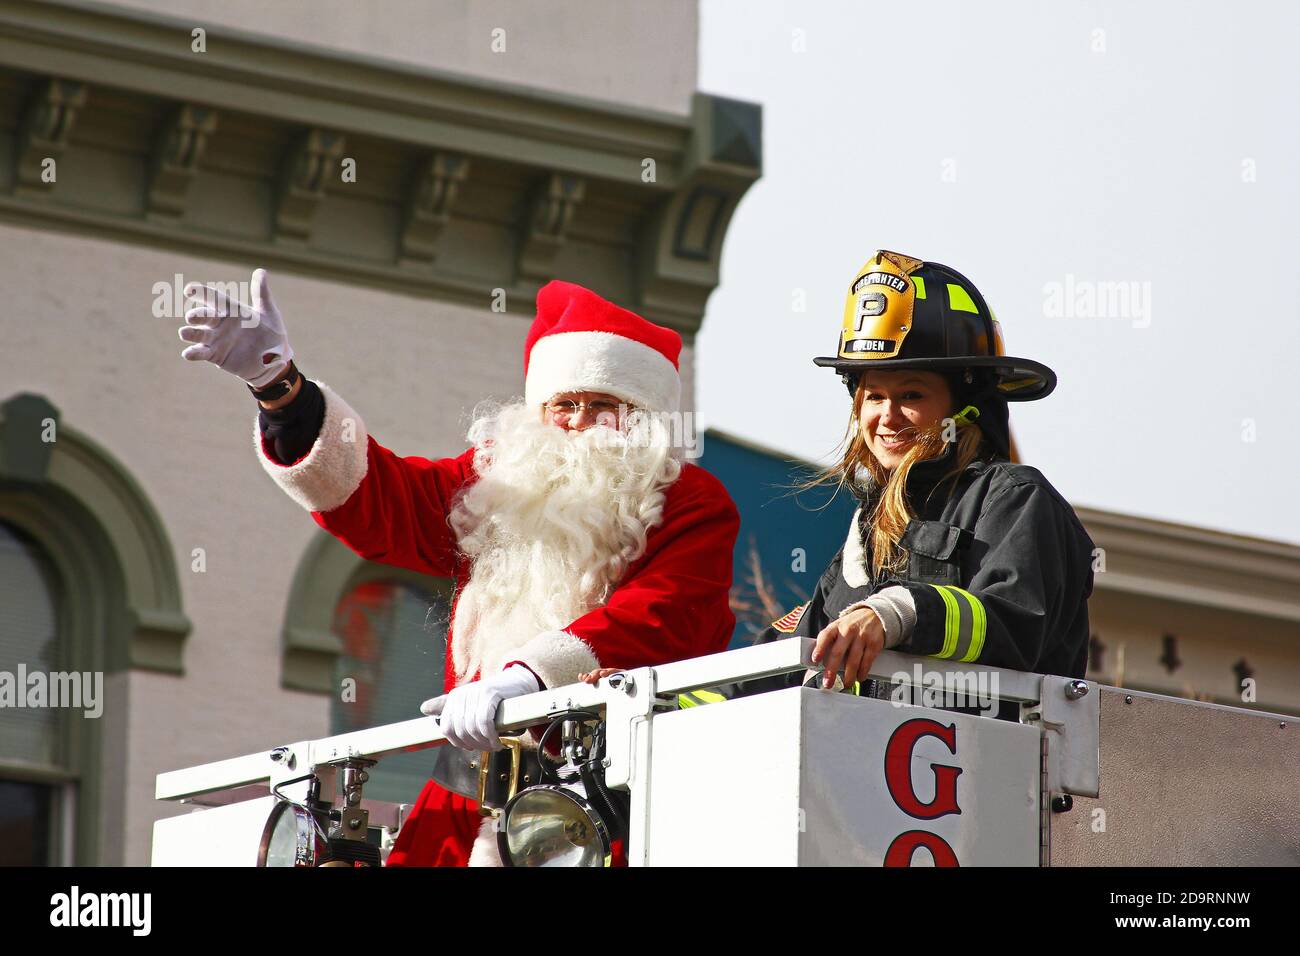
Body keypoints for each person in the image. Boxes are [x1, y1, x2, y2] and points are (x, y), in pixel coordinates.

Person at [175, 269, 740, 865]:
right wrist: (280, 388)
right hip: (464, 803)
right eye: (562, 404)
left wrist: (530, 676)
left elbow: (664, 614)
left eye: (601, 406)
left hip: (609, 802)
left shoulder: (691, 502)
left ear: (644, 420)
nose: (575, 422)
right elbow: (381, 500)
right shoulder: (501, 486)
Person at [724, 249, 1094, 704]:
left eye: (912, 394)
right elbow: (785, 658)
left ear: (962, 405)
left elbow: (1014, 623)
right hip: (880, 768)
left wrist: (896, 613)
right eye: (874, 395)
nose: (888, 416)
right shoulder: (868, 529)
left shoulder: (1014, 500)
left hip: (994, 767)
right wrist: (649, 695)